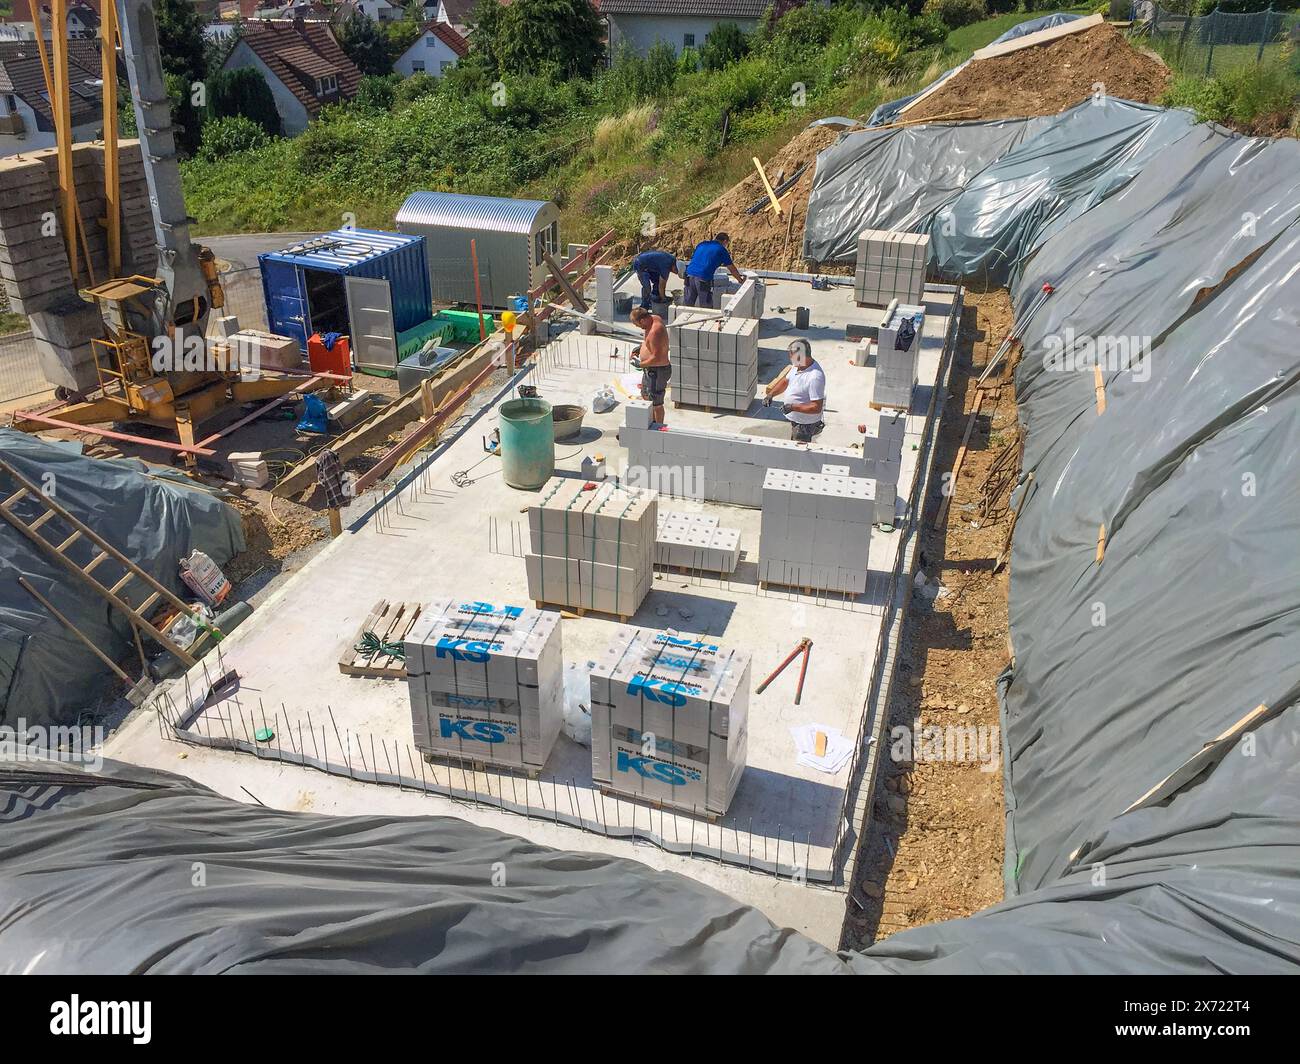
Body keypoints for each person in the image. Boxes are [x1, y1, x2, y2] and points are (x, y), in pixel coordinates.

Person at [766, 338, 825, 442]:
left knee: (798, 453)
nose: (791, 360)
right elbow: (786, 381)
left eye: (792, 357)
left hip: (805, 425)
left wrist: (792, 407)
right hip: (797, 420)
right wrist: (771, 394)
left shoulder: (815, 377)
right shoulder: (797, 366)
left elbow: (816, 407)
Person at [630, 306, 671, 426]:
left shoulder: (654, 331)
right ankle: (652, 421)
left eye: (638, 325)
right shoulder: (654, 318)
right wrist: (641, 348)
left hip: (657, 371)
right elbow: (652, 343)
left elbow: (657, 358)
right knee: (645, 394)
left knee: (656, 403)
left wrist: (640, 363)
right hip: (651, 370)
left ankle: (658, 428)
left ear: (642, 320)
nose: (639, 327)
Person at [682, 232, 744, 308]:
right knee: (706, 307)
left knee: (687, 306)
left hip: (689, 274)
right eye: (727, 244)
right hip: (703, 278)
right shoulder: (721, 250)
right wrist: (740, 280)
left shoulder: (702, 244)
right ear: (725, 241)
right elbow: (732, 269)